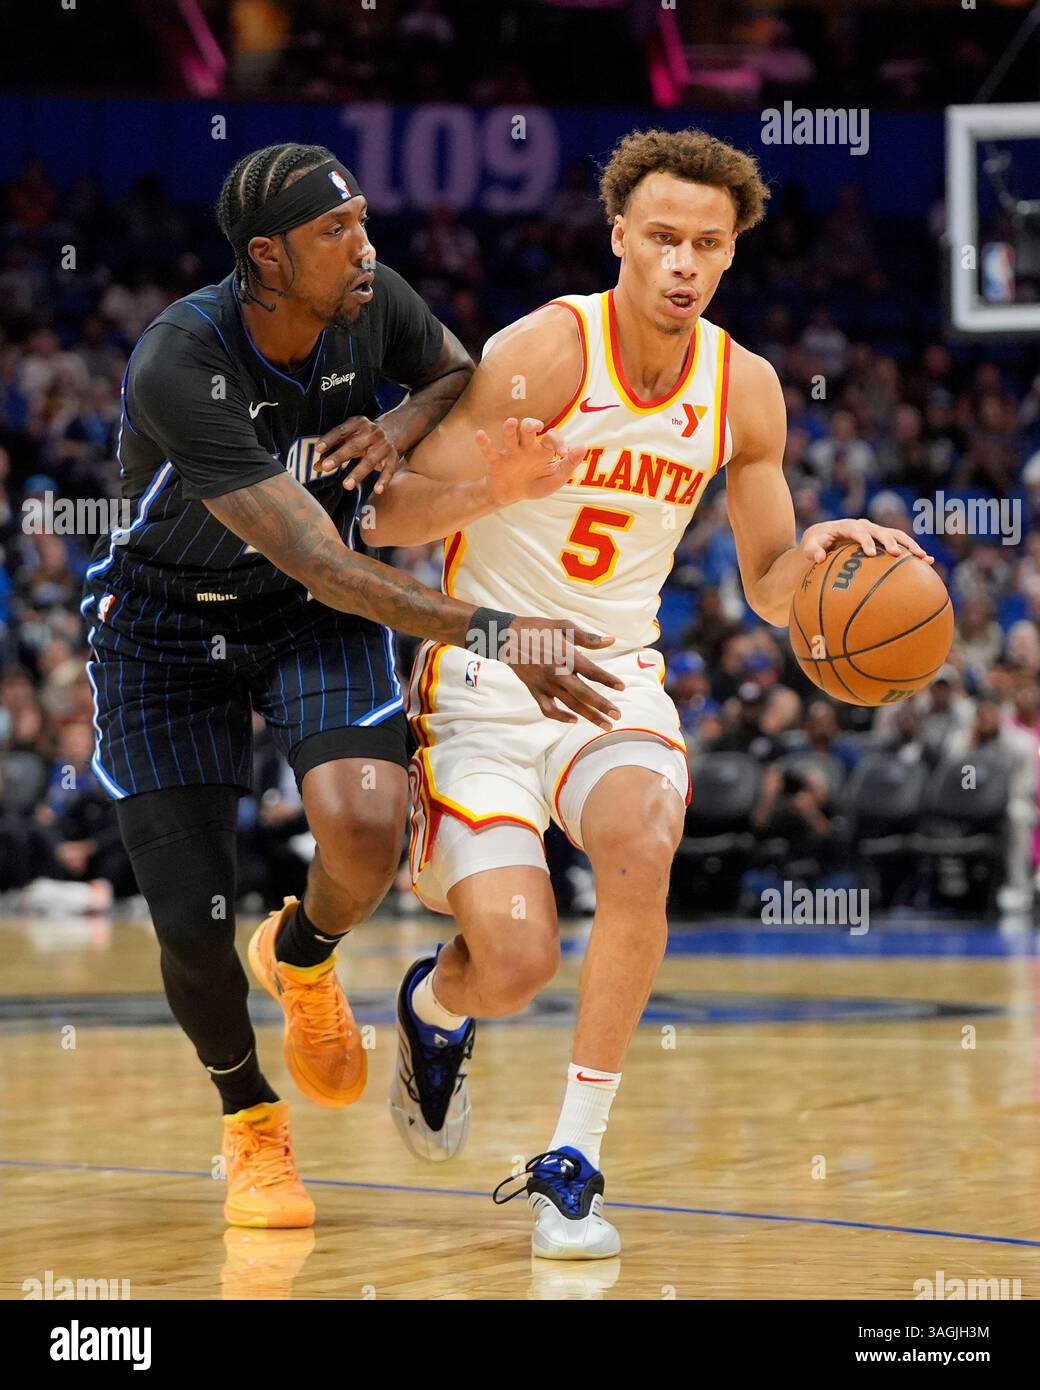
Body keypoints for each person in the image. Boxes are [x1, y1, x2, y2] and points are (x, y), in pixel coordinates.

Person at [361, 127, 933, 1257]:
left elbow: (769, 587)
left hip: (614, 677)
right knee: (514, 963)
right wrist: (494, 481)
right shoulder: (543, 352)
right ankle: (435, 1010)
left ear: (729, 256)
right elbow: (382, 521)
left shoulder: (745, 390)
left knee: (643, 836)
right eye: (661, 237)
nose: (681, 262)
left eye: (705, 245)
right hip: (485, 675)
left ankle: (573, 1157)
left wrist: (816, 556)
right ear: (618, 236)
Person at [82, 141, 623, 1231]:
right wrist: (498, 632)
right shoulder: (179, 360)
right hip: (165, 629)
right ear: (268, 258)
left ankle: (301, 956)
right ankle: (250, 1125)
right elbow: (325, 561)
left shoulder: (370, 299)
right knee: (188, 919)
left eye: (364, 221)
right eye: (337, 233)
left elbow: (454, 370)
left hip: (303, 622)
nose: (364, 246)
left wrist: (397, 426)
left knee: (368, 827)